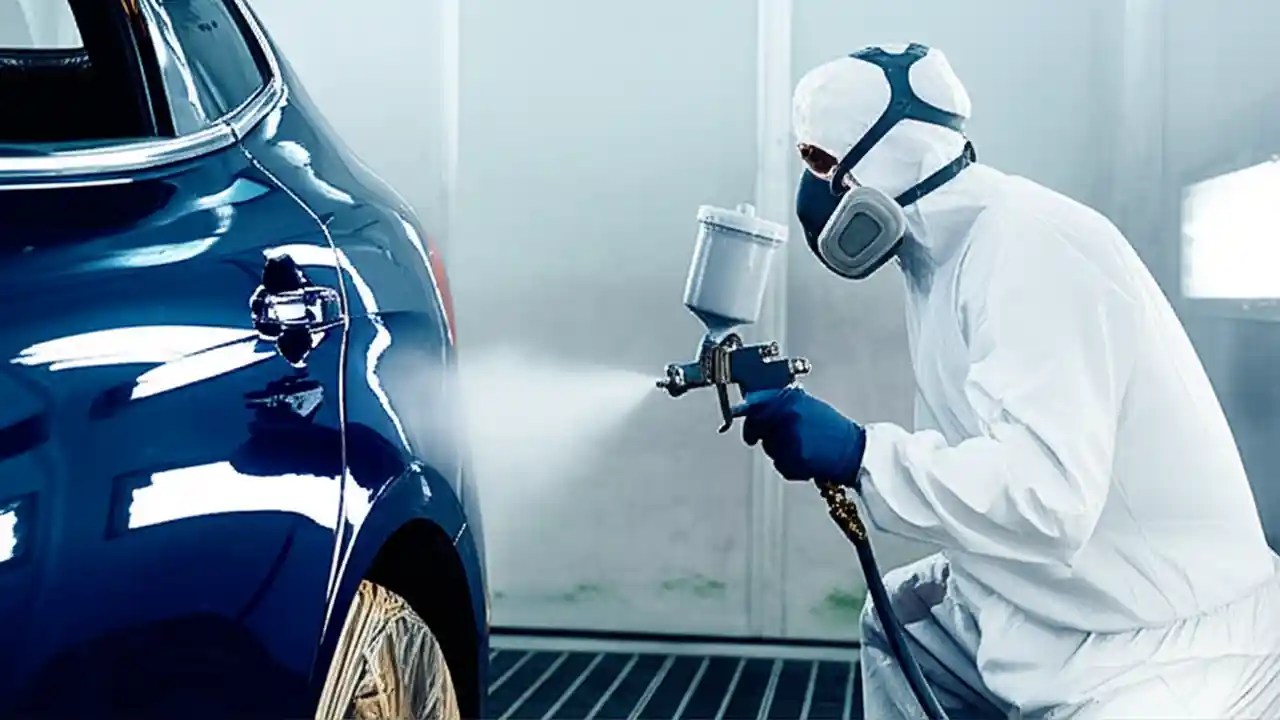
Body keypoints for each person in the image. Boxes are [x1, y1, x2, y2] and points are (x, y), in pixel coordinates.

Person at [743, 43, 1280, 718]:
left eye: (820, 161)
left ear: (886, 156)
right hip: (1051, 603)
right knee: (903, 623)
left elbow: (1048, 497)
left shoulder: (1029, 243)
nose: (812, 190)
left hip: (1162, 641)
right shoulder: (937, 253)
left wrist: (860, 453)